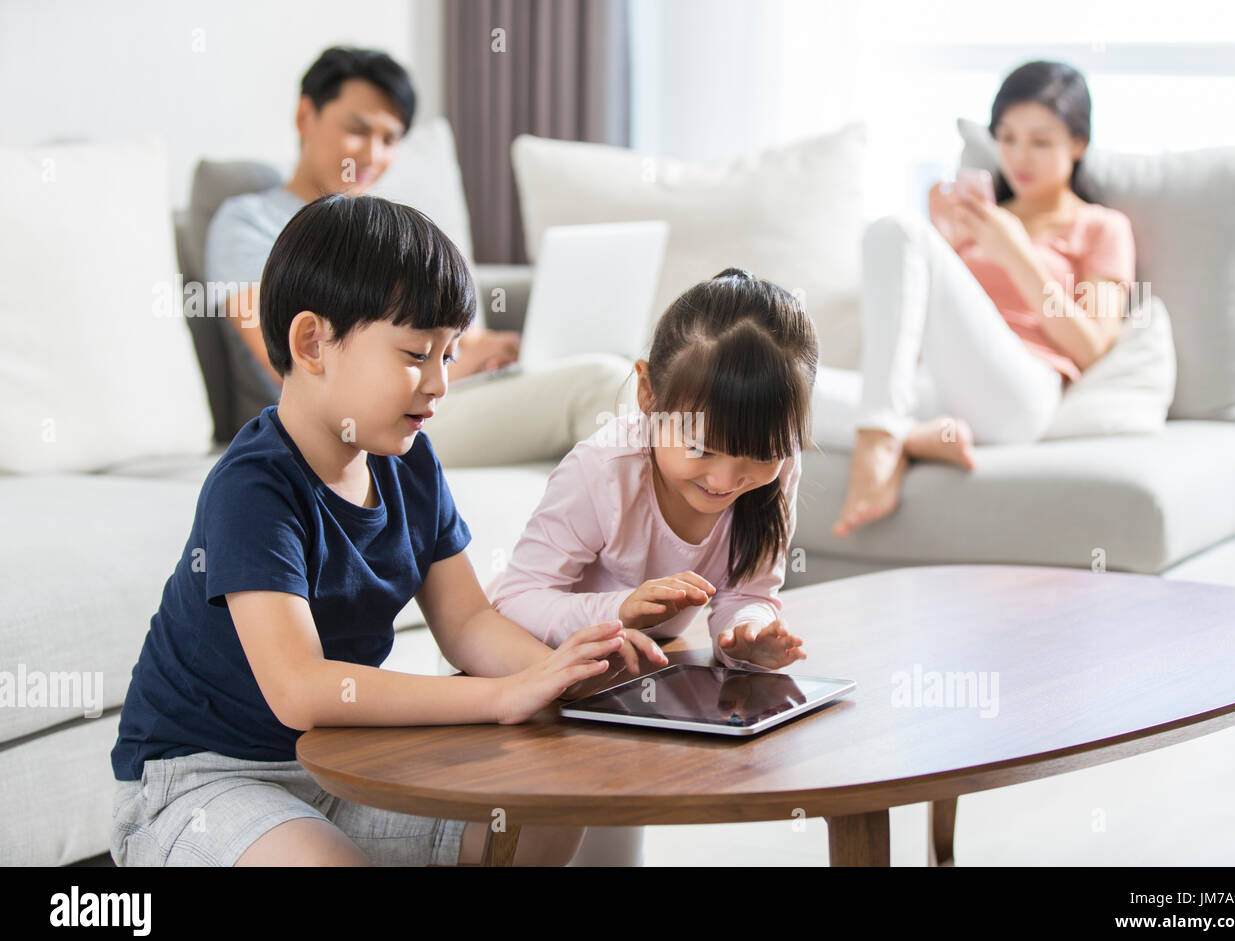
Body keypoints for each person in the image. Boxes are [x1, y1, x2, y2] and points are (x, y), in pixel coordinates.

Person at [110, 194, 659, 867]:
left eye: (449, 356)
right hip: (206, 780)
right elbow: (300, 688)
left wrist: (558, 674)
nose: (439, 385)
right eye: (414, 354)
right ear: (313, 343)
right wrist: (497, 698)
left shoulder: (410, 462)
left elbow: (467, 623)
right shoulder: (253, 488)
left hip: (343, 768)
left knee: (544, 814)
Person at [206, 46, 634, 464]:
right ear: (305, 116)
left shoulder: (400, 235)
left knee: (613, 374)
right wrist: (452, 368)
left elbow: (450, 336)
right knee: (601, 384)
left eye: (390, 139)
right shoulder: (249, 222)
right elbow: (284, 358)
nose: (373, 155)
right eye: (357, 130)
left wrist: (484, 350)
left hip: (447, 391)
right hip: (367, 416)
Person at [825, 60, 1137, 536]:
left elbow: (1092, 345)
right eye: (1007, 137)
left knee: (899, 230)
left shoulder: (1101, 226)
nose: (1019, 157)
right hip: (938, 389)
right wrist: (946, 243)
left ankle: (879, 440)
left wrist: (1016, 255)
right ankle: (911, 435)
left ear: (1078, 144)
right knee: (756, 390)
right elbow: (916, 334)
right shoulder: (980, 220)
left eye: (1040, 141)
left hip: (1019, 393)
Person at [489, 268, 816, 676]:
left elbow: (747, 593)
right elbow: (515, 601)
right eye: (701, 448)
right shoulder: (601, 470)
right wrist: (620, 610)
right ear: (647, 393)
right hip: (526, 664)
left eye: (763, 454)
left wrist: (746, 635)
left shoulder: (780, 464)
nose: (726, 480)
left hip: (628, 671)